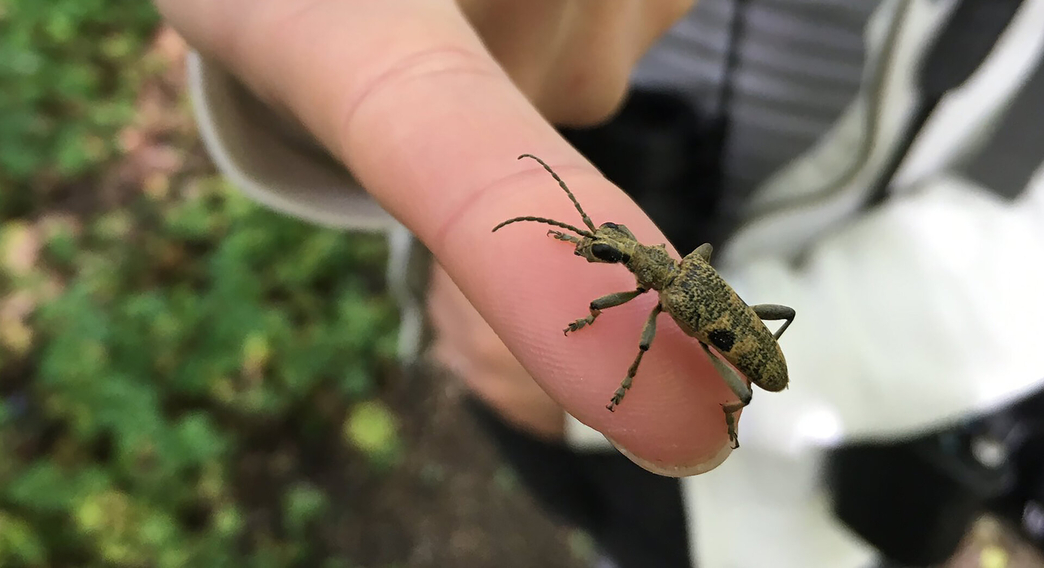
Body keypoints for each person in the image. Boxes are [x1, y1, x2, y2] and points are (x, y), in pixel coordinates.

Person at [162, 0, 1044, 566]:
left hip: (797, 475)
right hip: (720, 357)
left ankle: (706, 415)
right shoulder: (681, 275)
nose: (610, 264)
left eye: (613, 258)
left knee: (670, 380)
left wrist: (682, 374)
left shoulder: (674, 291)